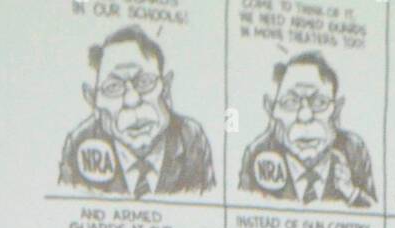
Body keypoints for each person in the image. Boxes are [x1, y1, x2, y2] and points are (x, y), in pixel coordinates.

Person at [59, 25, 216, 197]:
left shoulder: (190, 138)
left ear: (166, 88)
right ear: (93, 101)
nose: (132, 100)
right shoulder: (81, 142)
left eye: (144, 82)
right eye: (113, 87)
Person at [238, 51, 376, 207]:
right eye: (290, 102)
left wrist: (351, 194)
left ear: (336, 109)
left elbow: (374, 211)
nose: (305, 116)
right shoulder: (259, 152)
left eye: (319, 102)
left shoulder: (353, 150)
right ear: (272, 110)